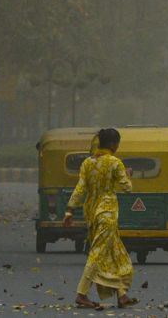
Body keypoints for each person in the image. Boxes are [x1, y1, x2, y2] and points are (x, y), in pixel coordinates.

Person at [64, 128, 138, 310]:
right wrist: (128, 176)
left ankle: (122, 295)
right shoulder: (115, 163)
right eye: (118, 143)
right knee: (97, 253)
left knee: (113, 253)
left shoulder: (88, 163)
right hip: (107, 214)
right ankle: (81, 294)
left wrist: (69, 211)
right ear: (113, 144)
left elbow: (80, 188)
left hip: (91, 213)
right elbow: (127, 188)